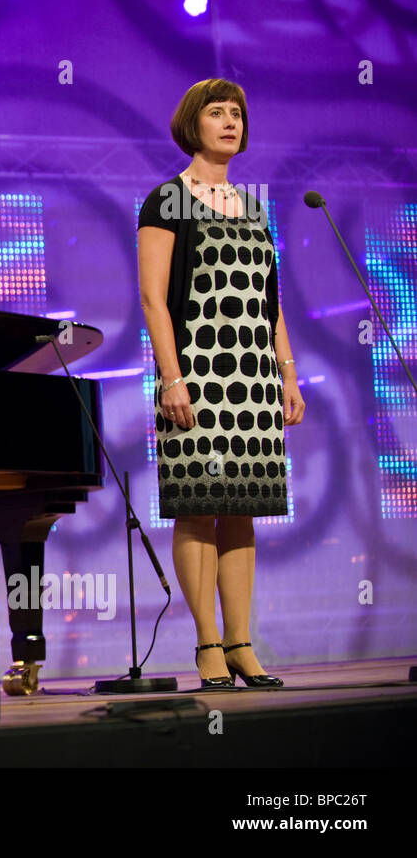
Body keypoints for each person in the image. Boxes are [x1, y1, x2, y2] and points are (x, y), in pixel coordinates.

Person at [136, 78, 305, 690]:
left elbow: (271, 304)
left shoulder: (255, 208)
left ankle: (241, 643)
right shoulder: (167, 200)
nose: (230, 122)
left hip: (253, 380)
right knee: (198, 507)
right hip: (197, 376)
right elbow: (154, 299)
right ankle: (207, 642)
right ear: (193, 124)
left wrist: (288, 374)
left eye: (237, 113)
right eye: (217, 113)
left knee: (242, 511)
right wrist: (172, 378)